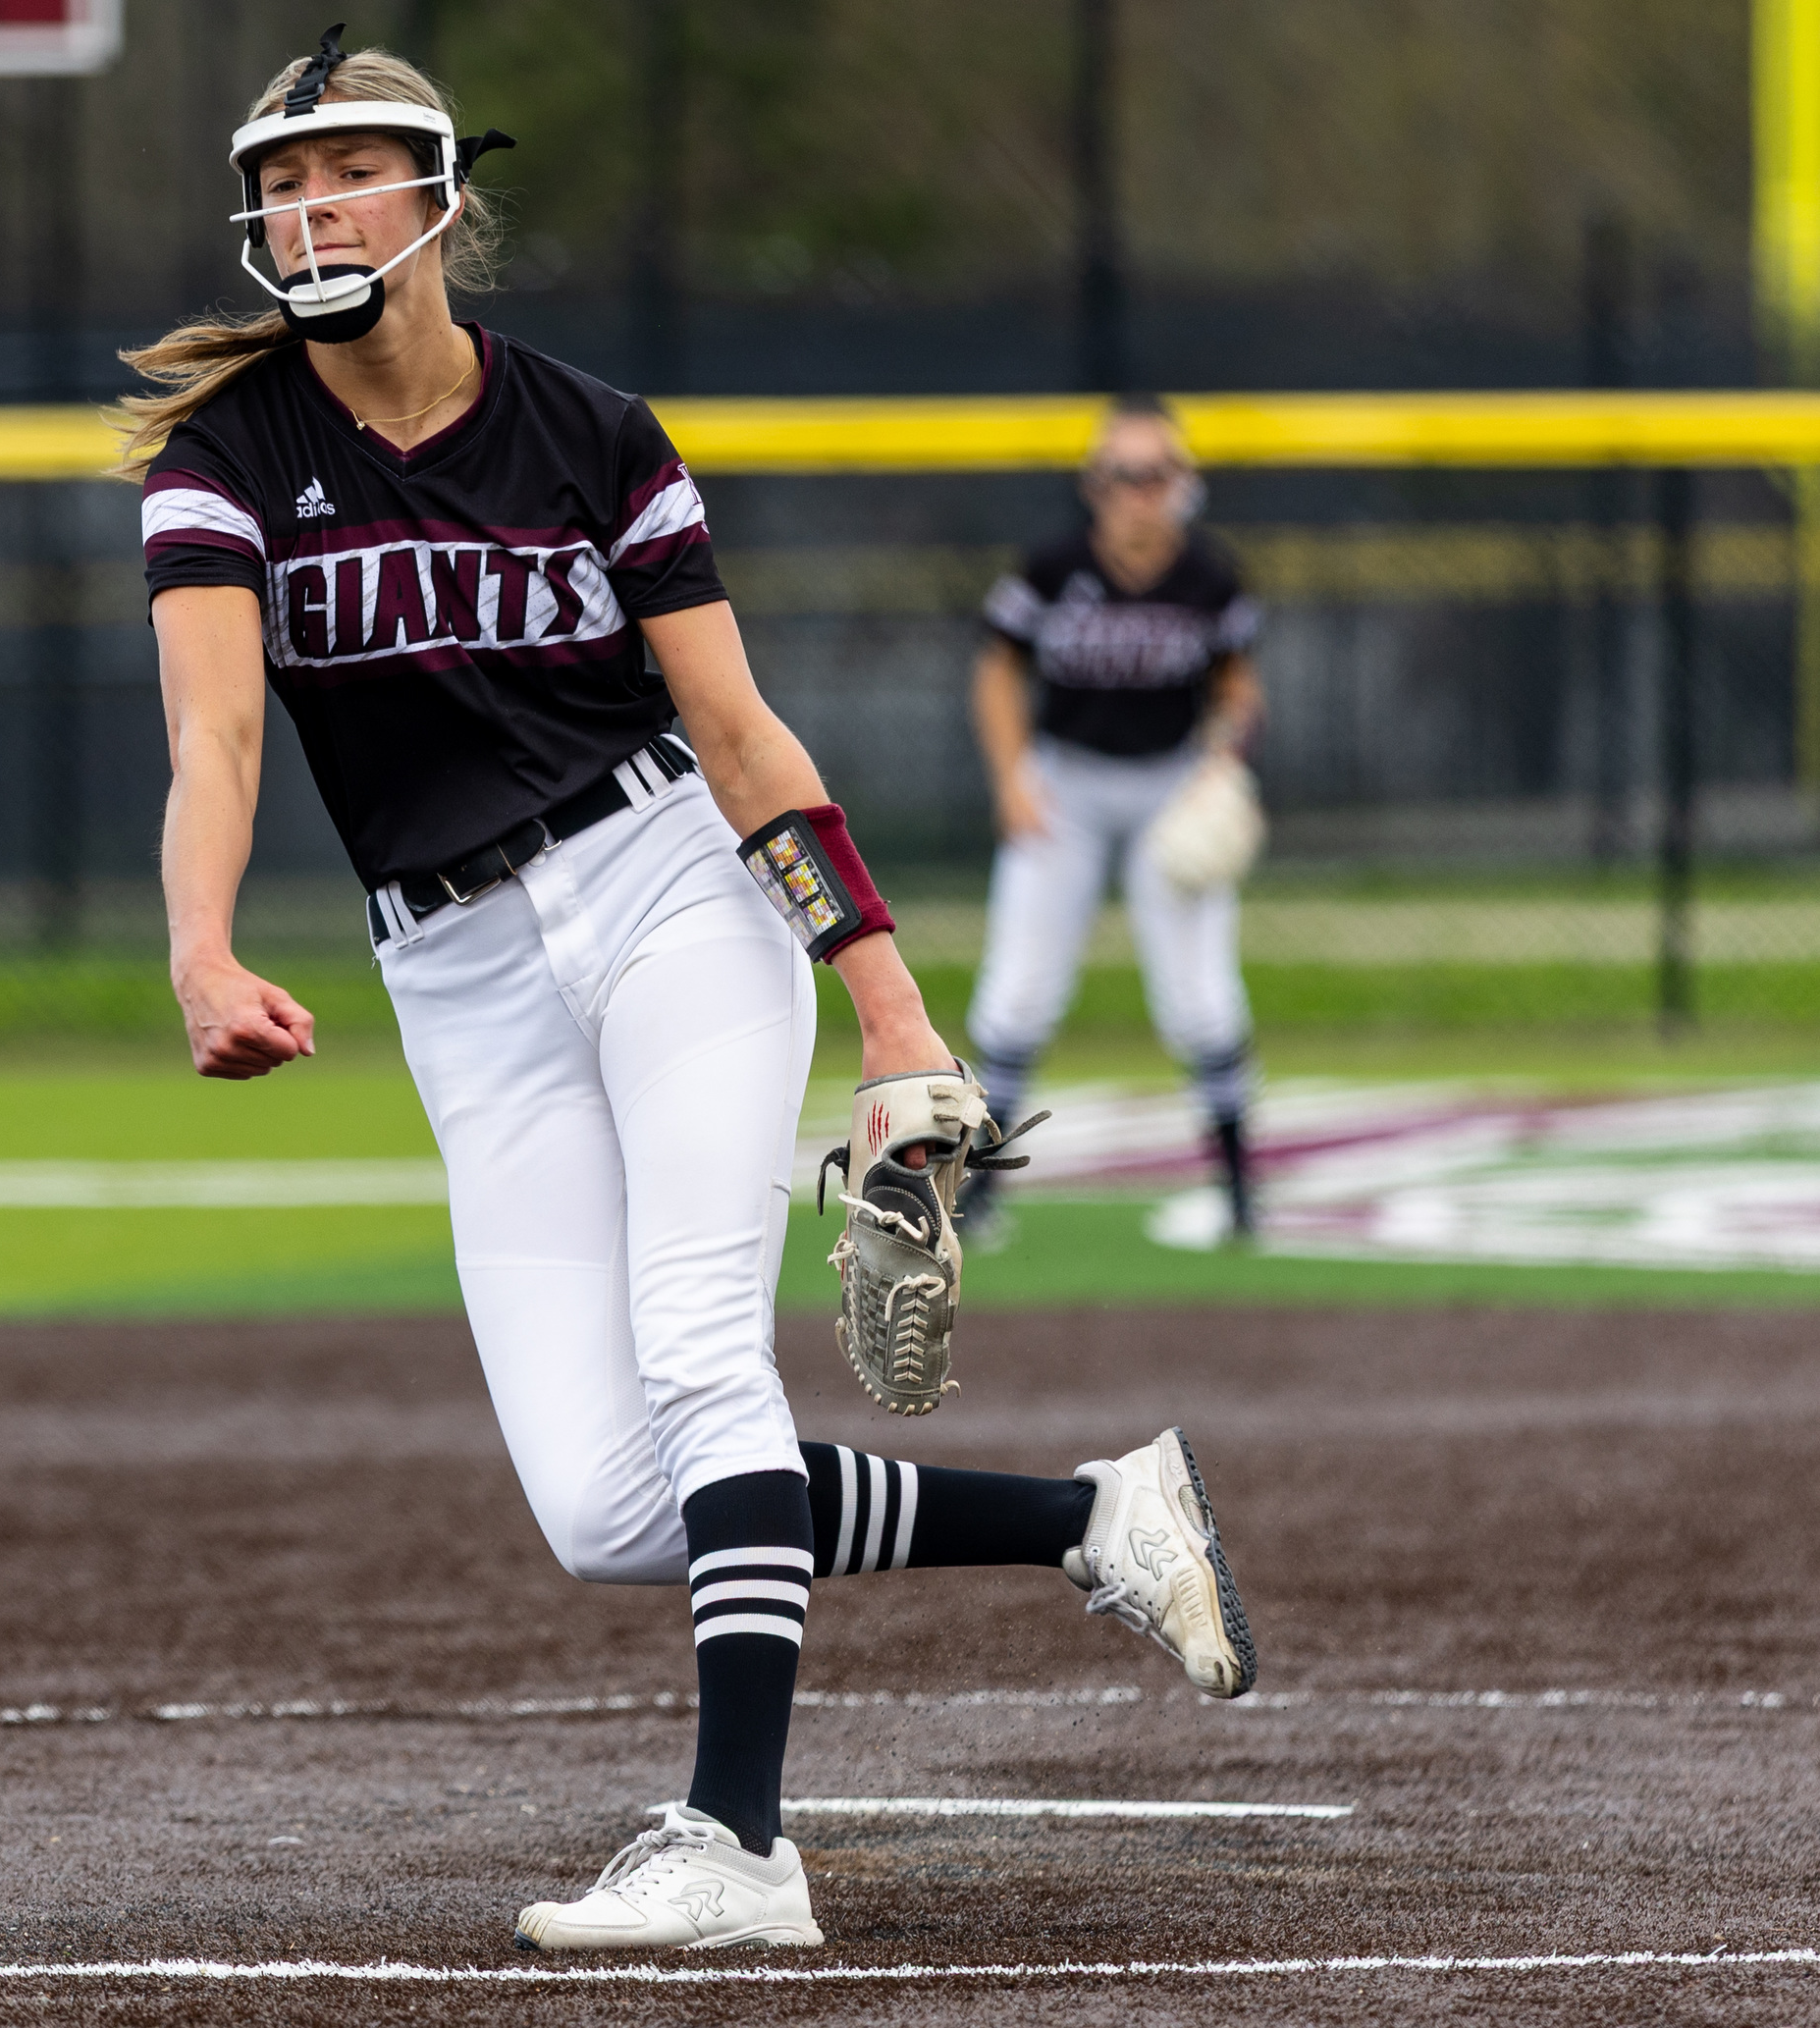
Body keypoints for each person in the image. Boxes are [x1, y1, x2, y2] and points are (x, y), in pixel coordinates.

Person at [122, 27, 1255, 1955]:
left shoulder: (590, 430)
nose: (307, 208)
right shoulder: (219, 459)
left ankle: (738, 1844)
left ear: (434, 200)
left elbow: (734, 736)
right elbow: (216, 740)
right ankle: (1091, 1521)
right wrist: (201, 943)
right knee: (606, 1505)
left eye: (345, 170)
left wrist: (890, 1008)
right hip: (454, 969)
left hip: (662, 894)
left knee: (695, 1352)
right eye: (279, 181)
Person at [962, 399, 1267, 1240]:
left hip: (1170, 784)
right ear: (1095, 486)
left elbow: (1238, 688)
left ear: (1185, 482)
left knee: (1202, 997)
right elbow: (995, 671)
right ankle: (980, 1196)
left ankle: (1243, 1195)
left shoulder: (1210, 576)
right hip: (1070, 785)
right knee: (1019, 991)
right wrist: (1013, 777)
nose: (1140, 491)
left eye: (1156, 473)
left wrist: (1226, 758)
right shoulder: (1054, 568)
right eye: (1123, 474)